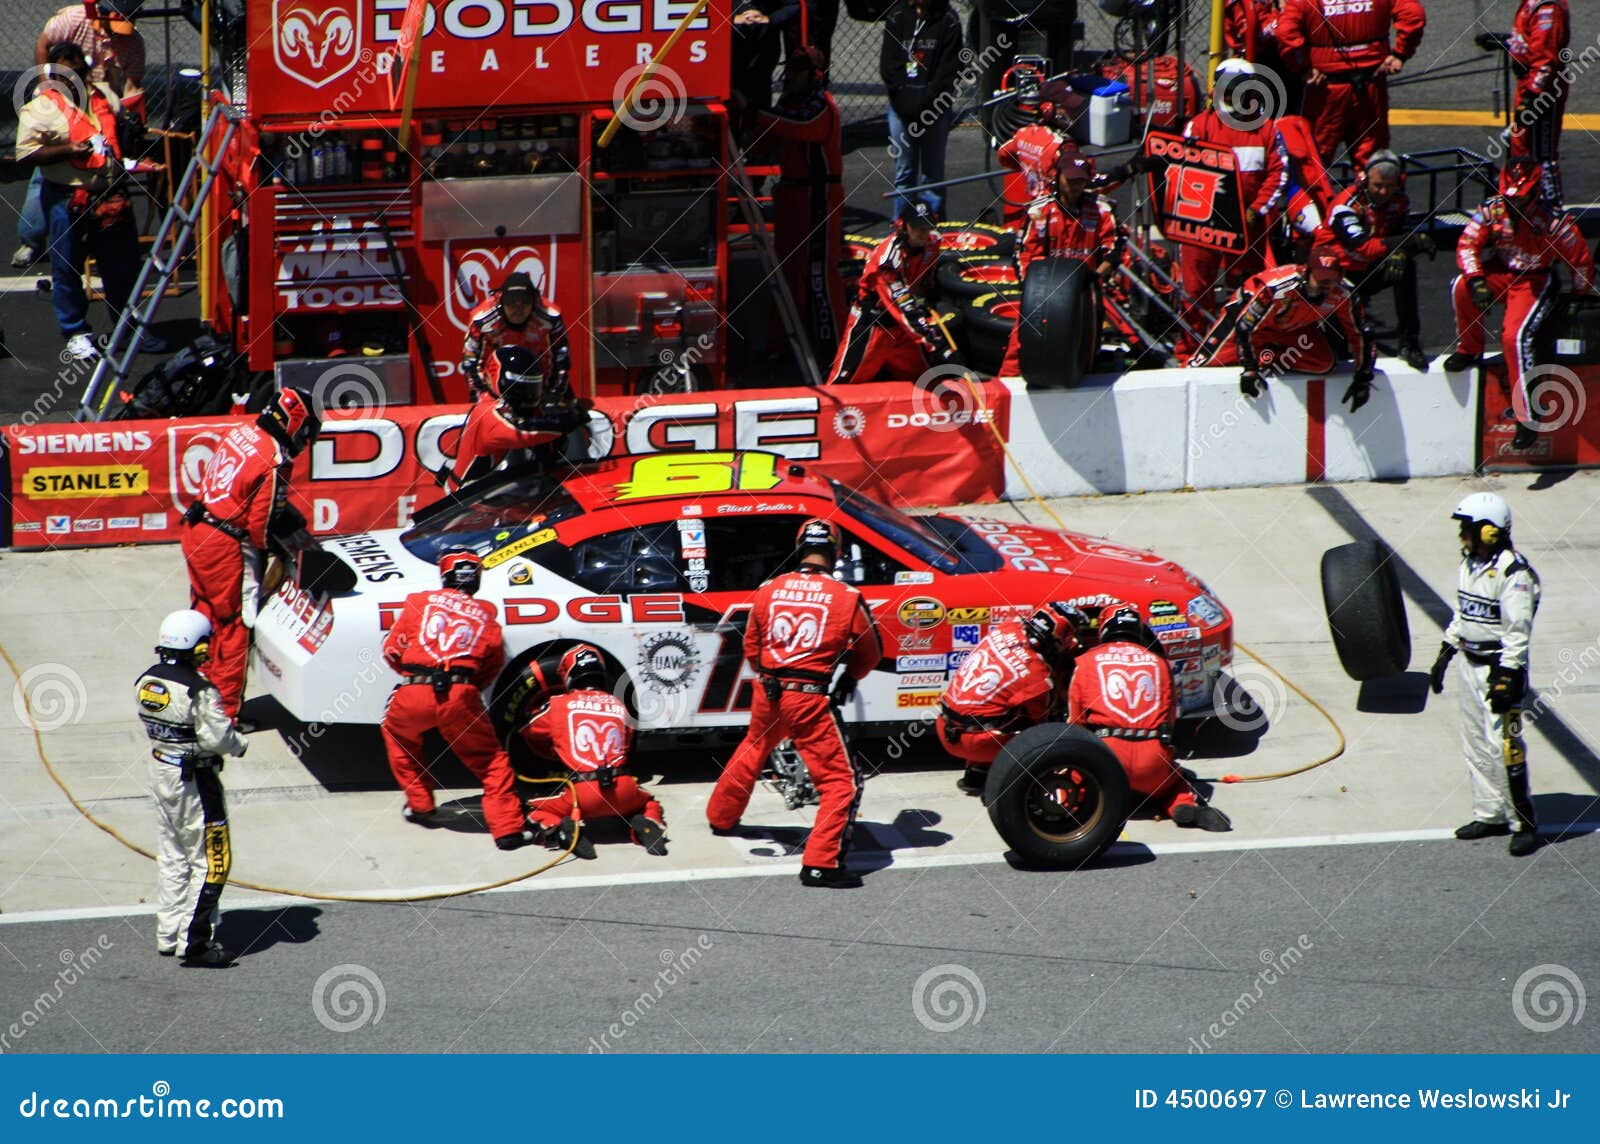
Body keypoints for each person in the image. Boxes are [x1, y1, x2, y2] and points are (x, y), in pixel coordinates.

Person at [705, 518, 881, 888]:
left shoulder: (769, 588)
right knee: (841, 781)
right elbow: (870, 650)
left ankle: (720, 819)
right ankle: (821, 865)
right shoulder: (846, 596)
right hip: (809, 697)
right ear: (835, 551)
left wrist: (770, 679)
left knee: (754, 745)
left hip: (768, 690)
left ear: (799, 548)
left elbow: (751, 644)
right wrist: (849, 677)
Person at [381, 549, 538, 851]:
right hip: (460, 693)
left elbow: (391, 649)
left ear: (444, 576)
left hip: (413, 689)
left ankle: (421, 805)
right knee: (491, 762)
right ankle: (508, 831)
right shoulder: (488, 617)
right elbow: (492, 666)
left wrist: (413, 678)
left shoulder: (419, 600)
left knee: (398, 737)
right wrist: (462, 691)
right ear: (476, 580)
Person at [180, 387, 320, 721]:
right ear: (294, 422)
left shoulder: (243, 430)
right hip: (225, 545)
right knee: (236, 625)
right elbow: (262, 525)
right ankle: (224, 715)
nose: (306, 439)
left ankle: (197, 690)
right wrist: (282, 546)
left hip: (196, 530)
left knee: (205, 613)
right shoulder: (275, 460)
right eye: (306, 431)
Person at [14, 42, 158, 361]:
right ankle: (76, 331)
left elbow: (125, 125)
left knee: (122, 267)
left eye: (80, 69)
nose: (75, 76)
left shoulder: (104, 96)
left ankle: (127, 327)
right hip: (68, 200)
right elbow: (25, 156)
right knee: (67, 268)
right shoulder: (40, 108)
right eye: (67, 71)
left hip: (111, 197)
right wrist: (68, 150)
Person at [1442, 159, 1594, 450]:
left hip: (1535, 281)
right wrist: (1476, 280)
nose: (1512, 203)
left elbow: (1581, 261)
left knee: (1514, 337)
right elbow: (1467, 244)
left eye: (1519, 197)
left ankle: (1527, 416)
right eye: (1509, 196)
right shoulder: (1492, 209)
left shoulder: (1553, 221)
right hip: (1501, 271)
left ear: (1535, 192)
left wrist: (1579, 295)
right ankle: (1469, 350)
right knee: (1460, 286)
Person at [1428, 493, 1541, 857]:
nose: (1462, 537)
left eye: (1467, 530)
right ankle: (1490, 814)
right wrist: (1446, 651)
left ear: (1490, 532)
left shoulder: (1514, 574)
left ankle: (1523, 823)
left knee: (1504, 746)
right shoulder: (1469, 565)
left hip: (1498, 670)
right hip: (1470, 664)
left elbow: (1517, 631)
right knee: (1475, 742)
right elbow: (1464, 613)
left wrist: (1508, 676)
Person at [137, 609, 249, 967]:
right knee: (212, 861)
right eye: (205, 643)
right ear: (195, 646)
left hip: (160, 770)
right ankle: (196, 942)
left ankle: (169, 934)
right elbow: (218, 737)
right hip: (194, 779)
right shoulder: (199, 690)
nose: (208, 649)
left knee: (173, 856)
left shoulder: (145, 680)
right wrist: (239, 744)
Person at [1069, 604, 1230, 831]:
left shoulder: (1085, 661)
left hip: (1106, 760)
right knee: (1177, 780)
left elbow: (1075, 726)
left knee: (1067, 769)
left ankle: (1068, 802)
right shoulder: (1160, 664)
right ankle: (1181, 805)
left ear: (1104, 631)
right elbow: (1170, 721)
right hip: (1152, 762)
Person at [16, 0, 147, 270]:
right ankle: (31, 241)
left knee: (103, 171)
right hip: (60, 99)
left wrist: (129, 119)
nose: (115, 33)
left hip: (100, 104)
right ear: (101, 11)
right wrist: (48, 86)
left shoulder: (133, 43)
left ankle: (101, 238)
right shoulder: (74, 18)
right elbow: (44, 44)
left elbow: (132, 85)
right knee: (44, 177)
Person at [1175, 60, 1290, 351]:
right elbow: (1180, 172)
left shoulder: (1266, 130)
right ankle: (1192, 348)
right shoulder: (1198, 126)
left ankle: (1242, 344)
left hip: (1246, 225)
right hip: (1203, 224)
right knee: (1195, 288)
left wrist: (1256, 210)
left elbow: (1280, 174)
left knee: (1247, 288)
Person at [520, 644, 669, 859]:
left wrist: (555, 746)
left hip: (582, 795)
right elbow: (627, 745)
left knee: (527, 807)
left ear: (569, 676)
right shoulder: (620, 705)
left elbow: (529, 730)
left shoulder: (558, 704)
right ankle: (646, 824)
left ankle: (558, 830)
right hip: (624, 790)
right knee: (649, 802)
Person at [1191, 245, 1375, 410]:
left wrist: (1363, 377)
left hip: (1289, 328)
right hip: (1245, 321)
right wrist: (1250, 369)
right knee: (1198, 367)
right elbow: (1245, 326)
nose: (1326, 287)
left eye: (1332, 280)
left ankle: (1266, 357)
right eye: (1321, 280)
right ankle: (1258, 357)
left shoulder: (1344, 293)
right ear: (1306, 273)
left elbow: (1360, 333)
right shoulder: (1277, 288)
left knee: (1324, 363)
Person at [937, 602, 1085, 795]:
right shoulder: (1037, 676)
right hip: (977, 744)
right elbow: (1041, 721)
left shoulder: (1008, 626)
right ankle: (1026, 779)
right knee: (1045, 729)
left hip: (943, 726)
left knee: (993, 707)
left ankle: (977, 771)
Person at [756, 47, 845, 364]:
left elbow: (802, 126)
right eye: (789, 69)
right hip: (791, 195)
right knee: (787, 272)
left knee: (819, 271)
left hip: (818, 195)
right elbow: (766, 140)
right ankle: (782, 345)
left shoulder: (821, 104)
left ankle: (832, 347)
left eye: (797, 70)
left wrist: (755, 113)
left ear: (815, 74)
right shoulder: (788, 104)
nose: (789, 76)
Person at [999, 153, 1120, 379]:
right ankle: (1008, 393)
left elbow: (1113, 252)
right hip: (1041, 297)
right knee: (1019, 346)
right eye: (1070, 180)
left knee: (1086, 351)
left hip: (1085, 296)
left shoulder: (1102, 210)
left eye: (1080, 181)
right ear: (1057, 177)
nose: (1074, 186)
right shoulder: (1039, 210)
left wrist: (1093, 278)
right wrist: (1036, 290)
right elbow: (1022, 254)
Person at [1276, 0, 1426, 168]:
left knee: (1314, 162)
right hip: (1371, 86)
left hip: (1326, 90)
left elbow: (1285, 32)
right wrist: (1401, 53)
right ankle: (1370, 193)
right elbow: (1414, 15)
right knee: (1373, 164)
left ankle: (1316, 194)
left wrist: (1302, 67)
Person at [1321, 150, 1429, 370]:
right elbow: (1362, 246)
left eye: (1389, 186)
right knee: (1336, 350)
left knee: (1405, 266)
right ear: (1365, 180)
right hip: (1337, 276)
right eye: (1378, 185)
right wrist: (1404, 244)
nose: (1383, 192)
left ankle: (1409, 342)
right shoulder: (1345, 204)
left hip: (1368, 270)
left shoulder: (1400, 201)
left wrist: (1401, 252)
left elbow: (1404, 234)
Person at [826, 202, 952, 384]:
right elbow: (902, 304)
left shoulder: (932, 245)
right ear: (902, 226)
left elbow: (927, 279)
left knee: (924, 382)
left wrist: (927, 297)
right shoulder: (887, 261)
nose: (923, 233)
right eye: (917, 228)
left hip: (901, 329)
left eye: (927, 227)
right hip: (872, 327)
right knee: (842, 385)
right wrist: (936, 343)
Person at [447, 345, 586, 489]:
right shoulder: (486, 411)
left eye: (532, 387)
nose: (527, 394)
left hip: (504, 492)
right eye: (520, 387)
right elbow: (520, 431)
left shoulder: (530, 409)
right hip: (467, 498)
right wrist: (566, 421)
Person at [880, 0, 963, 221]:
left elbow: (949, 71)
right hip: (901, 108)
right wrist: (905, 100)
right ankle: (901, 230)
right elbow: (889, 66)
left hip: (934, 109)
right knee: (904, 174)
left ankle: (933, 230)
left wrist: (925, 102)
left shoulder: (949, 20)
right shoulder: (897, 17)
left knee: (932, 176)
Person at [459, 271, 569, 401]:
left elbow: (561, 356)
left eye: (525, 301)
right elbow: (469, 359)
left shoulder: (551, 317)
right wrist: (482, 394)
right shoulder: (482, 319)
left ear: (534, 301)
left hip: (539, 382)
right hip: (493, 385)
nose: (518, 308)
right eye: (511, 301)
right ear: (501, 301)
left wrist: (553, 394)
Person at [994, 84, 1078, 229]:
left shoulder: (1023, 134)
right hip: (1053, 215)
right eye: (1067, 107)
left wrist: (1024, 165)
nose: (1073, 112)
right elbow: (1078, 183)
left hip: (1031, 211)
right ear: (1049, 110)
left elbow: (1003, 155)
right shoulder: (1061, 145)